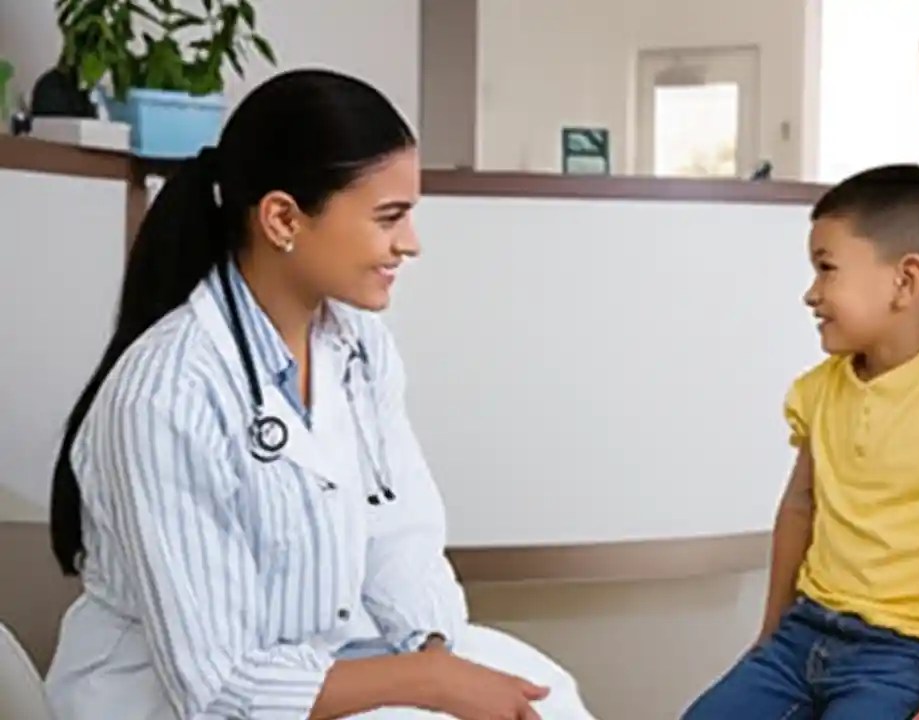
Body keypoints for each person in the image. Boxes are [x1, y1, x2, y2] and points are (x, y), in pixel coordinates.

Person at [43, 68, 595, 720]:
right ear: (282, 218)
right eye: (389, 217)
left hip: (321, 664)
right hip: (176, 701)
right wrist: (430, 684)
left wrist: (434, 652)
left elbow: (399, 536)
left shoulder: (358, 345)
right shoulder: (166, 397)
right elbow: (220, 689)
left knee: (545, 694)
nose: (410, 244)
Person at [681, 164, 919, 719]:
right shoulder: (820, 390)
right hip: (804, 634)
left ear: (906, 281)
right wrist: (769, 635)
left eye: (827, 270)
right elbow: (799, 508)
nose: (811, 293)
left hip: (910, 656)